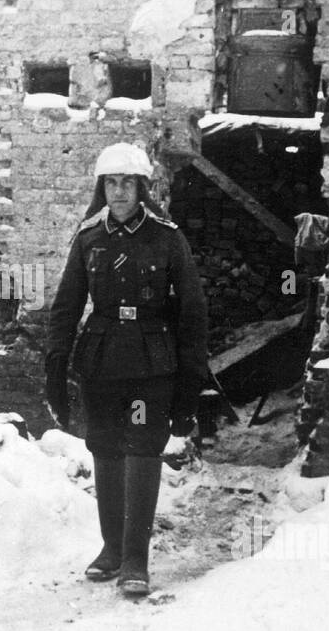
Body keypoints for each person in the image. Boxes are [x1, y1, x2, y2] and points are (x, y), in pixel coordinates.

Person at [45, 143, 210, 596]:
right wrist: (56, 370)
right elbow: (66, 307)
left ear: (142, 188)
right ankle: (111, 549)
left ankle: (136, 558)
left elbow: (194, 314)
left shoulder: (167, 238)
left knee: (141, 448)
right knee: (105, 448)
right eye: (111, 183)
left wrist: (189, 388)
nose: (119, 192)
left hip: (150, 366)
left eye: (128, 183)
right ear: (102, 188)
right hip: (100, 362)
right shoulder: (89, 238)